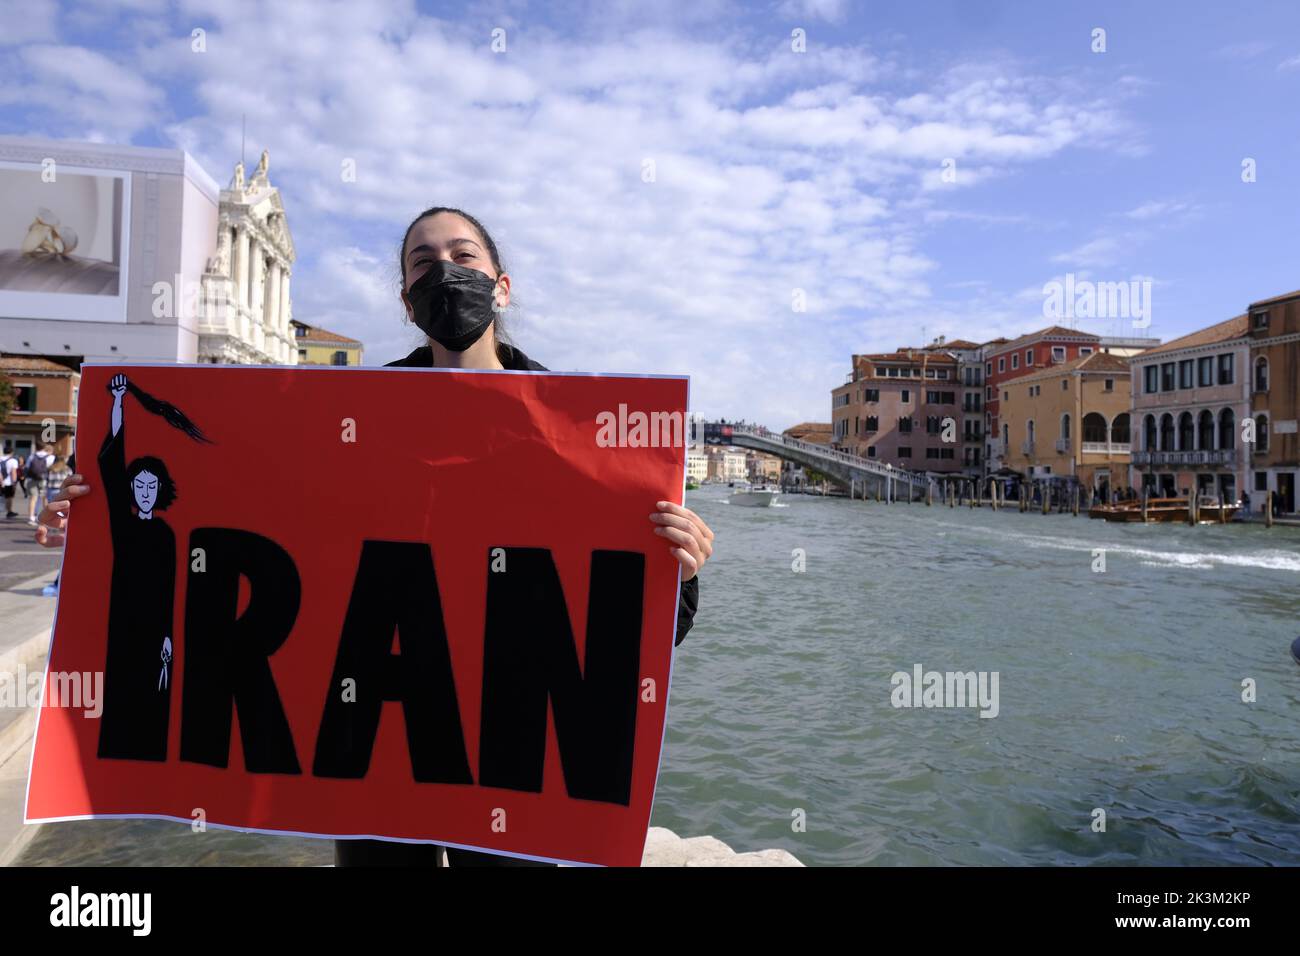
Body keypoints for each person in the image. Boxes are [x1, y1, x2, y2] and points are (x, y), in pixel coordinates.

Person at [341, 206, 716, 867]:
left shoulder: (577, 435)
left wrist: (679, 574)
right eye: (424, 262)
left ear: (501, 286)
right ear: (406, 301)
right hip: (386, 714)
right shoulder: (353, 418)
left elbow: (630, 634)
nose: (446, 272)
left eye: (464, 256)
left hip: (517, 724)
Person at [24, 444, 53, 524]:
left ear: (36, 447)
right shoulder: (50, 457)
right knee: (44, 498)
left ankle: (31, 518)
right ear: (44, 448)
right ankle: (46, 518)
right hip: (43, 480)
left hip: (32, 479)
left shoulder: (32, 456)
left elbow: (26, 467)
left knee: (33, 499)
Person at [0, 443, 18, 519]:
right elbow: (13, 472)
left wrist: (1, 481)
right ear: (11, 452)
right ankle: (9, 512)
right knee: (9, 497)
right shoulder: (13, 460)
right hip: (8, 482)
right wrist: (14, 483)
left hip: (1, 481)